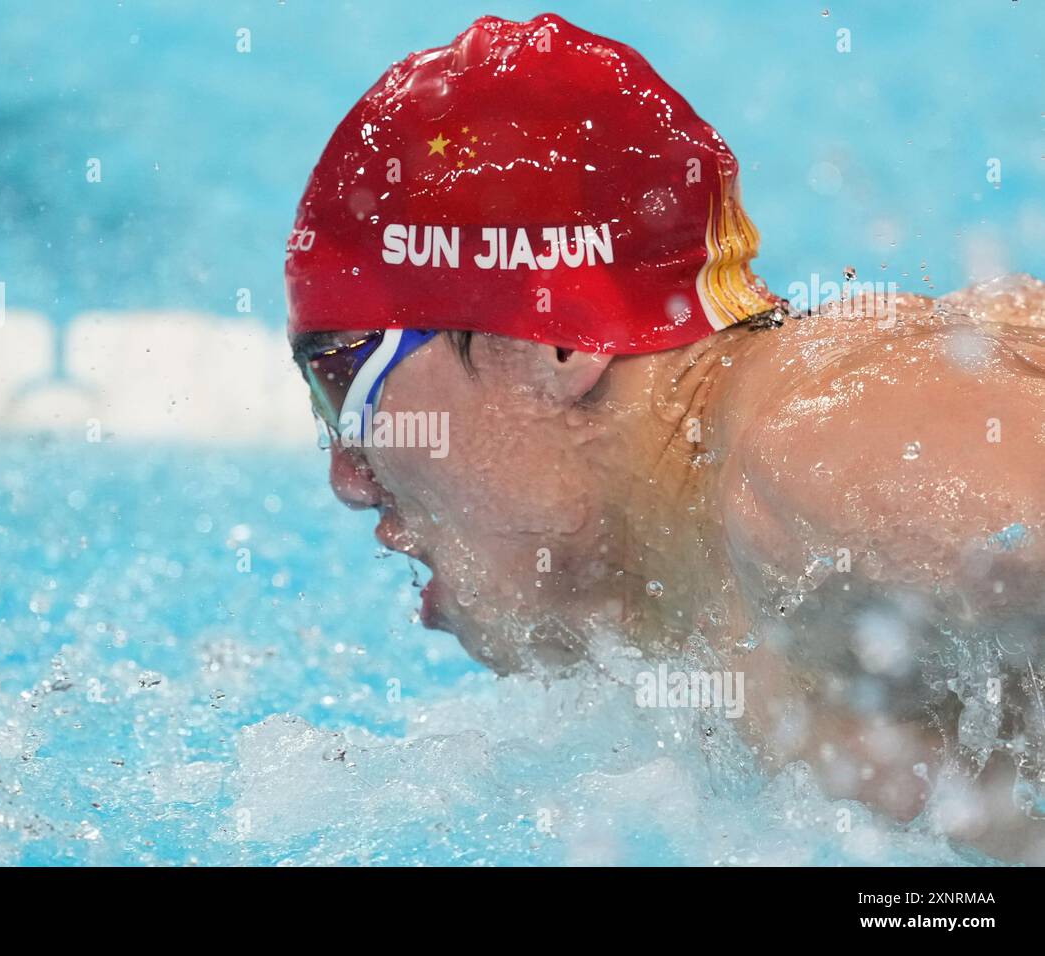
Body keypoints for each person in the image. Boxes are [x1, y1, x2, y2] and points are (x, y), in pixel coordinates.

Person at [284, 13, 1045, 861]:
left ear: (556, 344)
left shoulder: (828, 475)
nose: (347, 474)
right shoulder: (689, 618)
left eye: (344, 376)